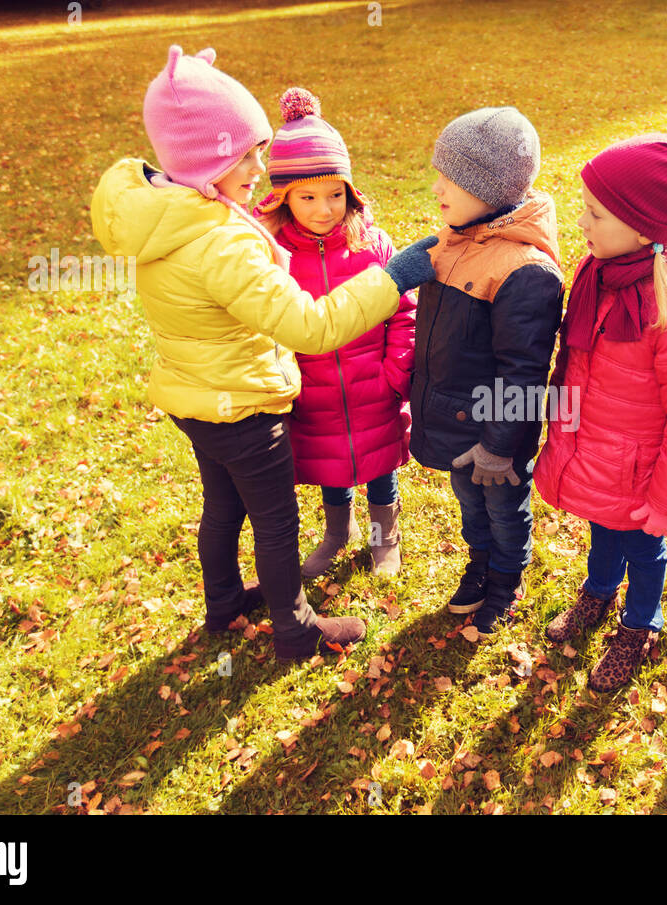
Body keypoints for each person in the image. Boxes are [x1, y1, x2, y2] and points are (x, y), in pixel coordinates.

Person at [90, 46, 435, 660]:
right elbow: (309, 324)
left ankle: (223, 603)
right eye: (246, 153)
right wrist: (394, 276)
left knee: (221, 508)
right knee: (275, 522)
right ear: (208, 159)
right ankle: (296, 628)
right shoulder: (224, 242)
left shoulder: (166, 216)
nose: (256, 166)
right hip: (243, 407)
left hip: (194, 395)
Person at [535, 134, 667, 691]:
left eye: (595, 213)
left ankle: (639, 626)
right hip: (600, 449)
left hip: (643, 467)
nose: (581, 222)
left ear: (643, 224)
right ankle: (598, 593)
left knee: (643, 545)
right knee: (603, 525)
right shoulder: (599, 270)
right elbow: (577, 363)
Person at [408, 107, 564, 640]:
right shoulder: (454, 241)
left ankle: (505, 580)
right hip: (453, 421)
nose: (437, 189)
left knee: (501, 505)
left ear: (490, 189)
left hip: (496, 435)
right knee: (470, 505)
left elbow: (523, 373)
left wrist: (499, 445)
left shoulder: (524, 270)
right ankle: (479, 564)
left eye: (451, 179)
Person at [254, 87, 417, 579]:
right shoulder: (271, 253)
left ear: (350, 191)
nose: (323, 209)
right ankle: (337, 531)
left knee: (380, 464)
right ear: (284, 197)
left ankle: (383, 536)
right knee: (330, 465)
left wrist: (395, 372)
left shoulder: (373, 244)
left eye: (335, 194)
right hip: (313, 390)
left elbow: (403, 311)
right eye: (307, 197)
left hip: (374, 383)